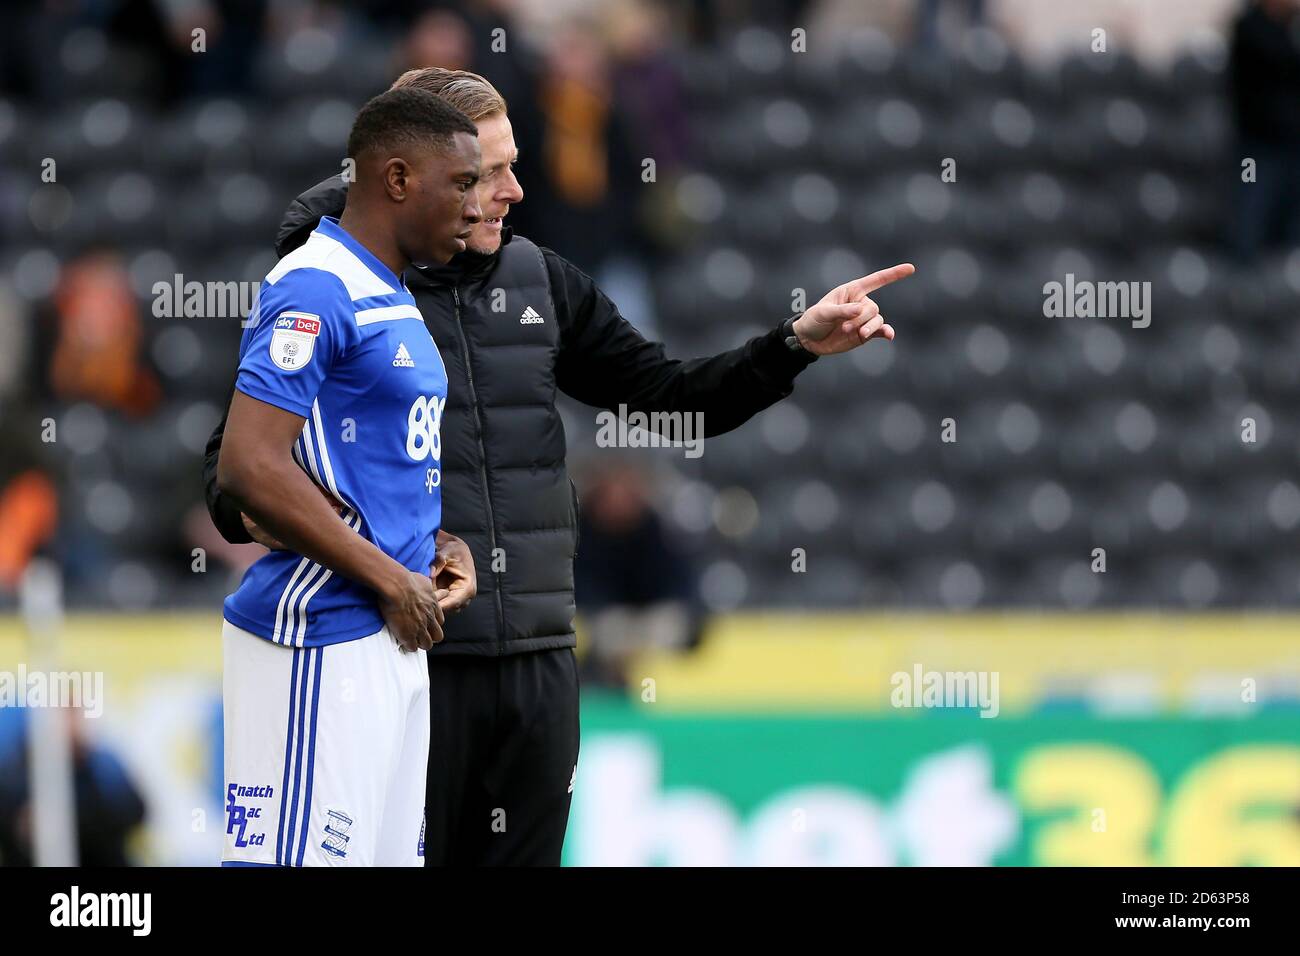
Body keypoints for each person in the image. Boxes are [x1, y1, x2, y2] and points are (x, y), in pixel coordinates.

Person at [204, 68, 912, 866]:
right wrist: (382, 559)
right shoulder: (336, 283)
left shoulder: (539, 280)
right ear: (426, 173)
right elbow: (236, 474)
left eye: (506, 166)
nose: (508, 190)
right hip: (408, 648)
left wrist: (793, 345)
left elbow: (667, 397)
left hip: (537, 660)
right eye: (485, 172)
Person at [214, 86, 482, 866]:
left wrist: (434, 547)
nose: (474, 207)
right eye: (461, 184)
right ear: (397, 179)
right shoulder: (315, 285)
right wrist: (387, 578)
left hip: (391, 636)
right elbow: (248, 463)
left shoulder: (390, 292)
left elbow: (368, 469)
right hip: (322, 632)